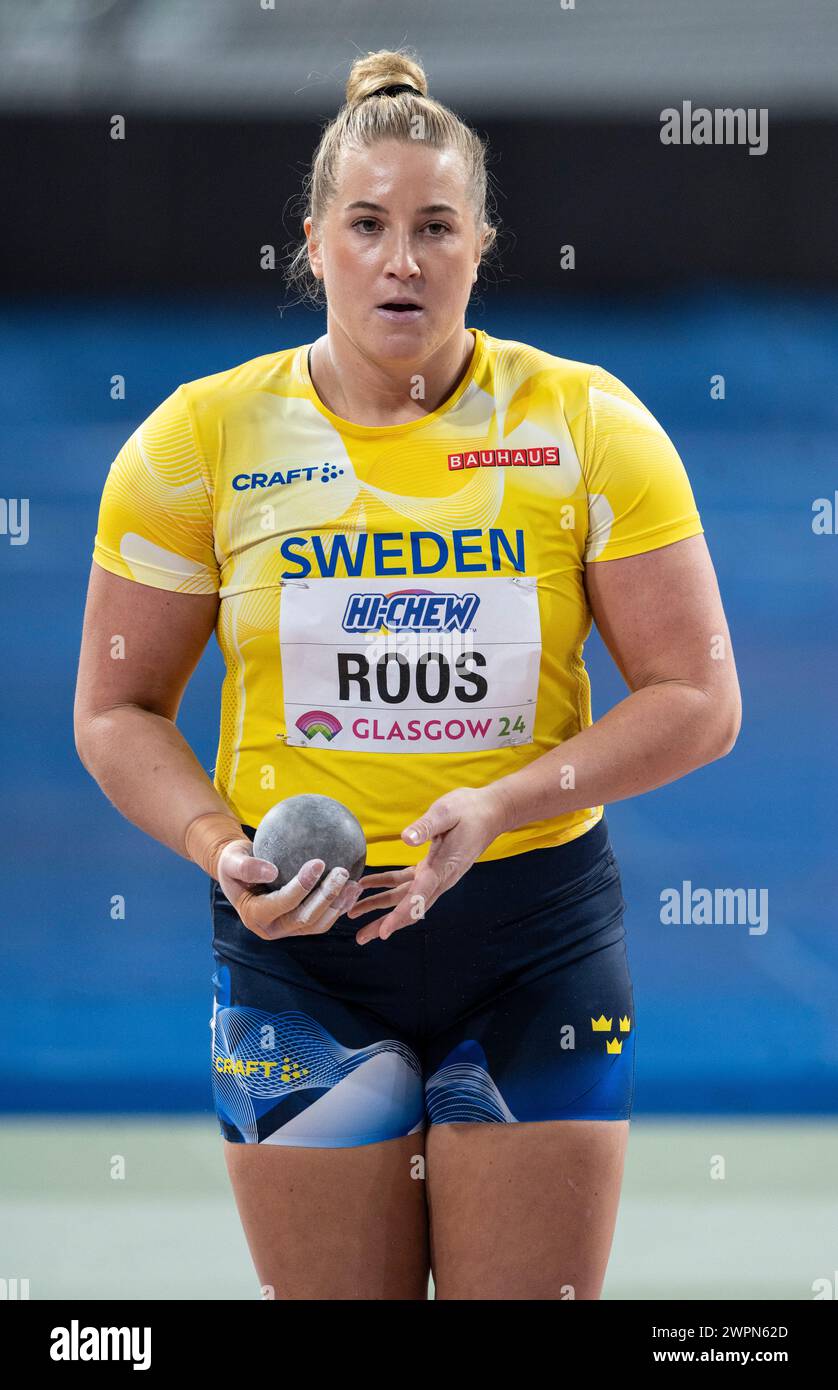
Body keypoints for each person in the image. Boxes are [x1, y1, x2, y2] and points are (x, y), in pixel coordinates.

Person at [74, 47, 741, 1301]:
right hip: (299, 950)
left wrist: (495, 807)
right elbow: (116, 709)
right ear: (314, 241)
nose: (402, 258)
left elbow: (698, 699)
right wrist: (219, 845)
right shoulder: (196, 441)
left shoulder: (585, 422)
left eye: (436, 226)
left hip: (530, 934)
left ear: (480, 246)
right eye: (368, 224)